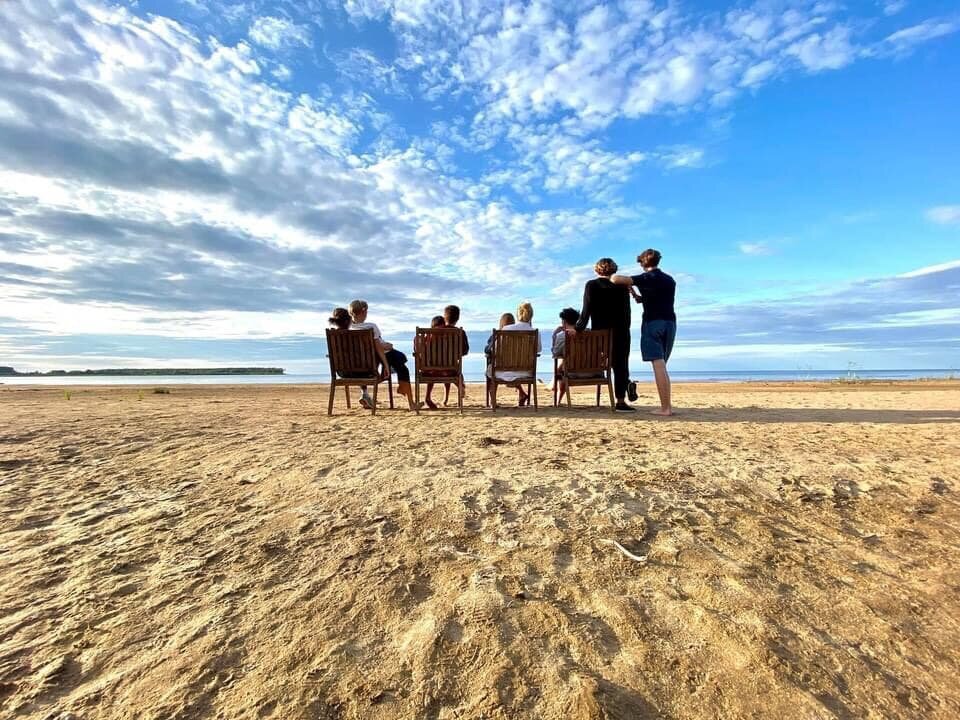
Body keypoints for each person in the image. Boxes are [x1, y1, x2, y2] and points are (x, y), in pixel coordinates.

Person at [611, 248, 676, 416]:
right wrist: (636, 294)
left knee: (658, 364)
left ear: (642, 262)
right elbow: (653, 299)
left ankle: (665, 408)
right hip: (670, 322)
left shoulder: (646, 277)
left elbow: (616, 278)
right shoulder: (670, 280)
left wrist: (627, 282)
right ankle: (666, 405)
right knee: (662, 364)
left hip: (653, 322)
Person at [576, 258, 636, 412]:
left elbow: (586, 312)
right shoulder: (621, 287)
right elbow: (627, 314)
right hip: (620, 333)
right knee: (621, 365)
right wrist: (625, 329)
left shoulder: (591, 285)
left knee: (605, 359)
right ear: (614, 270)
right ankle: (620, 400)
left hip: (600, 338)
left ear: (597, 270)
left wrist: (578, 329)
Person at [348, 299, 417, 410]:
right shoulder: (370, 327)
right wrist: (385, 364)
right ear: (363, 312)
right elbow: (378, 347)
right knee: (402, 364)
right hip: (379, 355)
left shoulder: (348, 329)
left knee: (400, 358)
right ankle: (410, 401)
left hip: (363, 362)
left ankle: (394, 380)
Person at [488, 302, 540, 406]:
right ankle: (522, 394)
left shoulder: (506, 329)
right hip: (527, 373)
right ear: (531, 315)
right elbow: (538, 350)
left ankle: (492, 400)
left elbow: (495, 349)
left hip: (503, 372)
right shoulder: (535, 332)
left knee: (489, 369)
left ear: (517, 315)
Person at [441, 304, 469, 406]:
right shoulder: (460, 332)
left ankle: (446, 399)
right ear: (458, 318)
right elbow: (465, 351)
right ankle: (461, 386)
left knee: (446, 368)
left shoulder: (436, 331)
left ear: (444, 317)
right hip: (452, 367)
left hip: (434, 367)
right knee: (456, 371)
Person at [552, 307, 580, 404]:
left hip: (572, 373)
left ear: (564, 321)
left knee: (560, 370)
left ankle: (557, 400)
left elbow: (555, 353)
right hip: (593, 373)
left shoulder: (562, 335)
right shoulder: (588, 333)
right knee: (562, 367)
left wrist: (554, 335)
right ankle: (559, 399)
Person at [420, 315, 448, 410]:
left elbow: (418, 353)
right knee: (453, 370)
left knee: (432, 369)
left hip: (429, 371)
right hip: (445, 372)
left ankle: (428, 397)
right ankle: (461, 387)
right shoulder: (448, 339)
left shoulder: (425, 339)